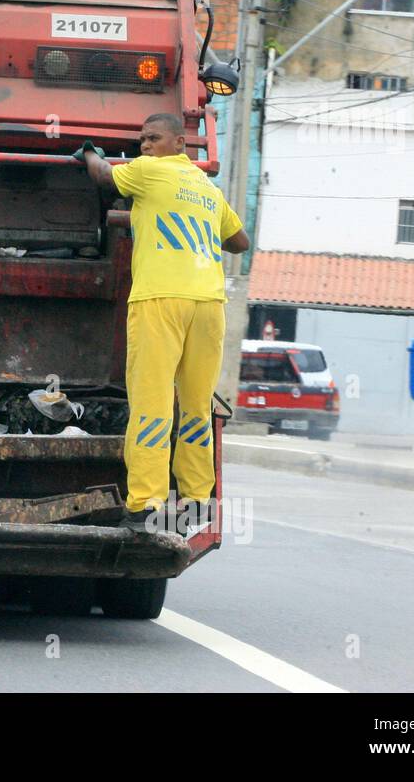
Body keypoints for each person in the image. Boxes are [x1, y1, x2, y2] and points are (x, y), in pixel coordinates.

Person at [76, 113, 250, 528]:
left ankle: (145, 505)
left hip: (161, 301)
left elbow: (103, 176)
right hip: (208, 304)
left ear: (179, 143)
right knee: (195, 407)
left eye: (153, 138)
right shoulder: (207, 187)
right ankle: (196, 499)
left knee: (152, 405)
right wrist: (199, 226)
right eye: (141, 141)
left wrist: (86, 151)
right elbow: (241, 242)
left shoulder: (150, 171)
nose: (145, 146)